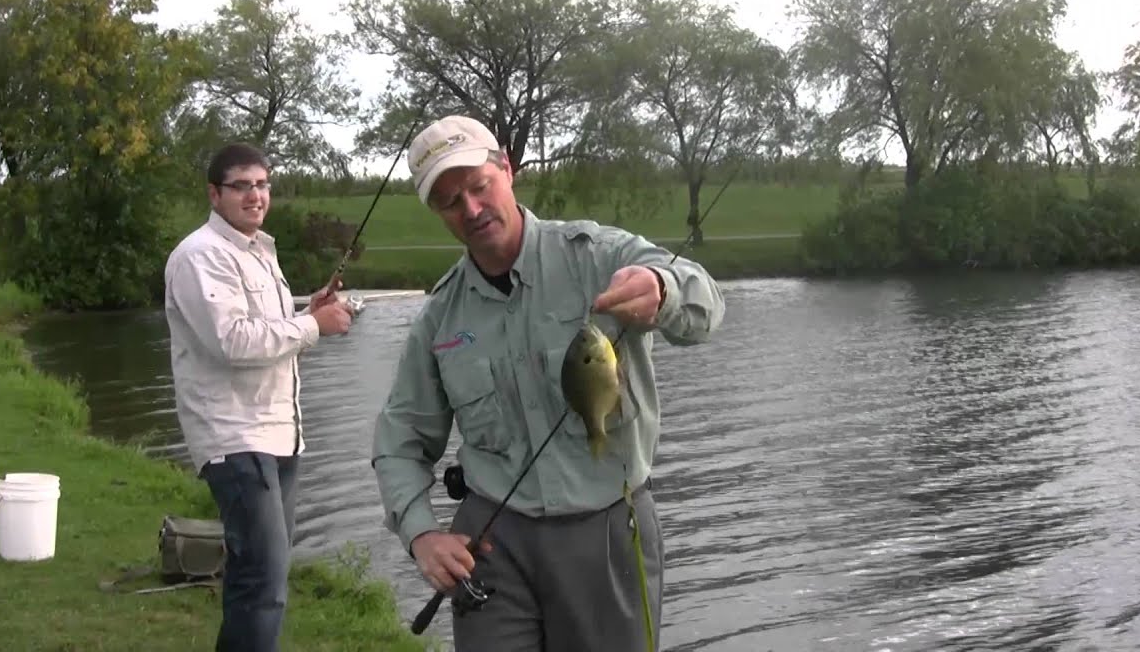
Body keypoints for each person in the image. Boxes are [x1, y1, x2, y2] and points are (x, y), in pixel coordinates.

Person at [370, 115, 726, 650]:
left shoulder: (598, 255)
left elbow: (707, 306)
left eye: (479, 186)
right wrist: (421, 533)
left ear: (507, 169)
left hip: (608, 526)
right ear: (436, 212)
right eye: (449, 201)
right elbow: (399, 440)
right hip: (491, 544)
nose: (471, 209)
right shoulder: (440, 317)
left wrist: (663, 288)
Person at [163, 142, 355, 652]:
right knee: (263, 579)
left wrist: (305, 312)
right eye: (241, 186)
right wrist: (314, 325)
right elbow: (232, 342)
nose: (255, 196)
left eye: (262, 184)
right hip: (233, 435)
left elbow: (266, 330)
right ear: (215, 194)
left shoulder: (260, 252)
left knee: (263, 571)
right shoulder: (201, 256)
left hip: (280, 435)